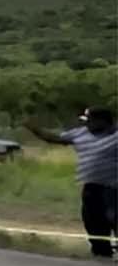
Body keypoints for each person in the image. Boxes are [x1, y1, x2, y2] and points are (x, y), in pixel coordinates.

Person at [26, 107, 117, 258]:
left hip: (114, 187)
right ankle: (102, 252)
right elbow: (53, 138)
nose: (87, 124)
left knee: (114, 217)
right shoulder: (80, 133)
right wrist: (34, 129)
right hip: (91, 186)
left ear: (103, 122)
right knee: (92, 220)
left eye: (90, 121)